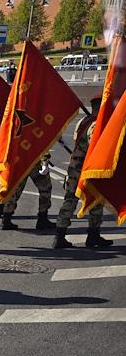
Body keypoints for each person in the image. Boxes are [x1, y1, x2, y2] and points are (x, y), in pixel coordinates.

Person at [55, 97, 112, 249]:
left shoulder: (83, 121)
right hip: (86, 169)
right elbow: (97, 147)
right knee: (95, 201)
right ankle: (93, 234)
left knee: (69, 200)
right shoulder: (95, 125)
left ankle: (60, 235)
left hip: (75, 167)